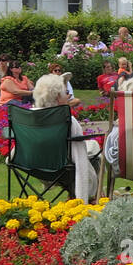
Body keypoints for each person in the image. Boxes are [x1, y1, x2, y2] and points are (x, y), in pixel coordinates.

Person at [31, 72, 101, 201]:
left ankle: (73, 193)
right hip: (61, 166)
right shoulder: (66, 118)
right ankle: (90, 196)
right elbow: (79, 157)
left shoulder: (30, 115)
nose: (68, 95)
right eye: (65, 92)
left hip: (33, 165)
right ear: (58, 96)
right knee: (94, 149)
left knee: (90, 148)